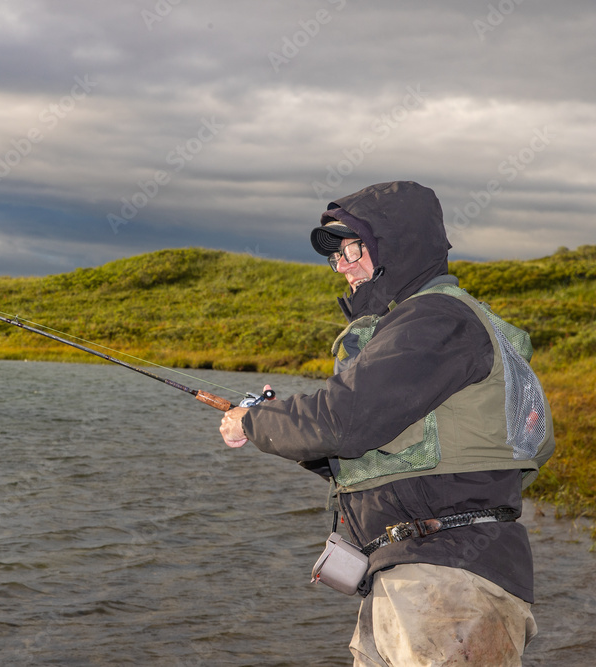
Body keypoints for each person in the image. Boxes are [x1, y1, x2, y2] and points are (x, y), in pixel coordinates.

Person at [219, 180, 555, 666]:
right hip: (411, 576)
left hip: (448, 582)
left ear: (398, 247)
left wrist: (255, 421)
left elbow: (347, 419)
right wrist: (282, 429)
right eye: (335, 256)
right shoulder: (417, 328)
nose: (343, 266)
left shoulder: (437, 320)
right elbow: (370, 451)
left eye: (355, 248)